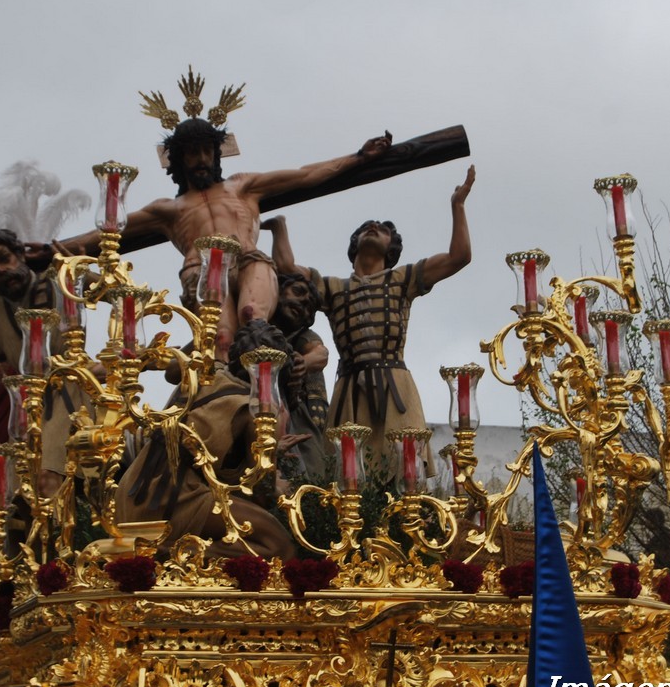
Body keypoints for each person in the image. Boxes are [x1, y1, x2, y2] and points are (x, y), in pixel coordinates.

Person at [53, 116, 393, 360]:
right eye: (192, 153)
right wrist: (56, 251)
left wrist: (358, 158)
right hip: (200, 271)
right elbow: (108, 232)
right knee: (221, 343)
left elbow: (305, 175)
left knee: (252, 316)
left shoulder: (242, 185)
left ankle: (274, 387)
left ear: (216, 154)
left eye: (206, 151)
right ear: (179, 160)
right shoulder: (168, 210)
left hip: (249, 259)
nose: (201, 159)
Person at [267, 165, 476, 481]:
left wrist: (457, 206)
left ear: (391, 250)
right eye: (366, 227)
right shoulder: (334, 287)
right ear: (353, 245)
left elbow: (458, 257)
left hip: (396, 387)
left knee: (404, 471)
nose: (374, 227)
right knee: (347, 475)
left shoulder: (403, 279)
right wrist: (278, 226)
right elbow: (286, 266)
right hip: (350, 389)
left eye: (381, 228)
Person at [115, 319, 305, 560]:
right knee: (278, 545)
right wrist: (276, 475)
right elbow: (259, 493)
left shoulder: (206, 373)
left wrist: (205, 334)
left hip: (132, 490)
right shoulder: (256, 412)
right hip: (169, 497)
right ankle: (172, 554)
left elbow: (172, 372)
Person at [0, 228, 83, 491]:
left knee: (52, 471)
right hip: (25, 407)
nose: (0, 269)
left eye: (4, 258)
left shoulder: (58, 277)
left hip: (70, 389)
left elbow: (106, 287)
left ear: (20, 254)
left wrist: (76, 267)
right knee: (8, 484)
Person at [268, 270, 330, 480]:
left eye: (309, 306)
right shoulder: (247, 328)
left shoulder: (300, 337)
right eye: (297, 291)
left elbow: (320, 353)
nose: (303, 303)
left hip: (295, 421)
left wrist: (304, 362)